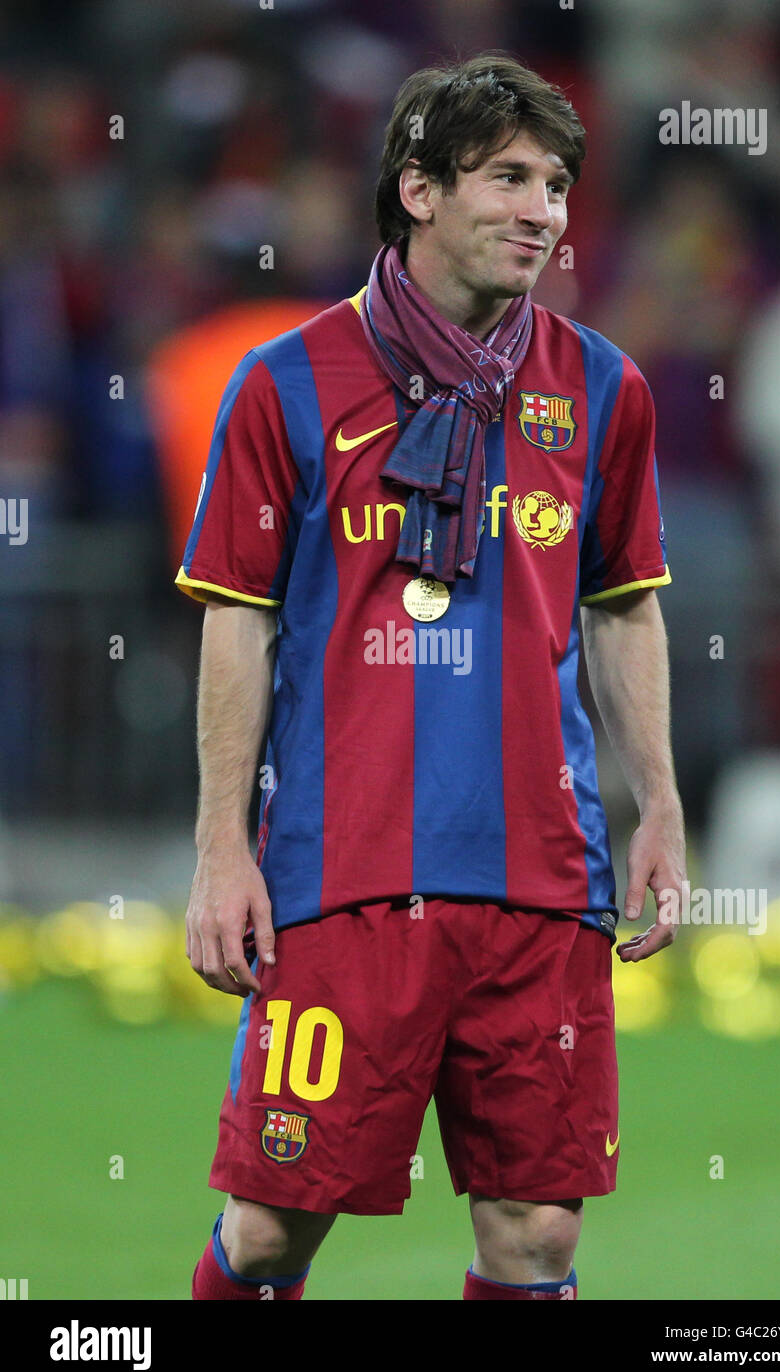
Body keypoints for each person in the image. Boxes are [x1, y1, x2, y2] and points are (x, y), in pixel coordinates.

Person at [177, 52, 686, 1302]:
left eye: (556, 184)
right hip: (340, 871)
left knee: (537, 1238)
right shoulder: (283, 382)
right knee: (269, 1229)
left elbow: (622, 608)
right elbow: (236, 623)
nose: (542, 211)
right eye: (506, 177)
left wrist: (660, 806)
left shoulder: (602, 388)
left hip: (538, 880)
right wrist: (218, 846)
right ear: (415, 188)